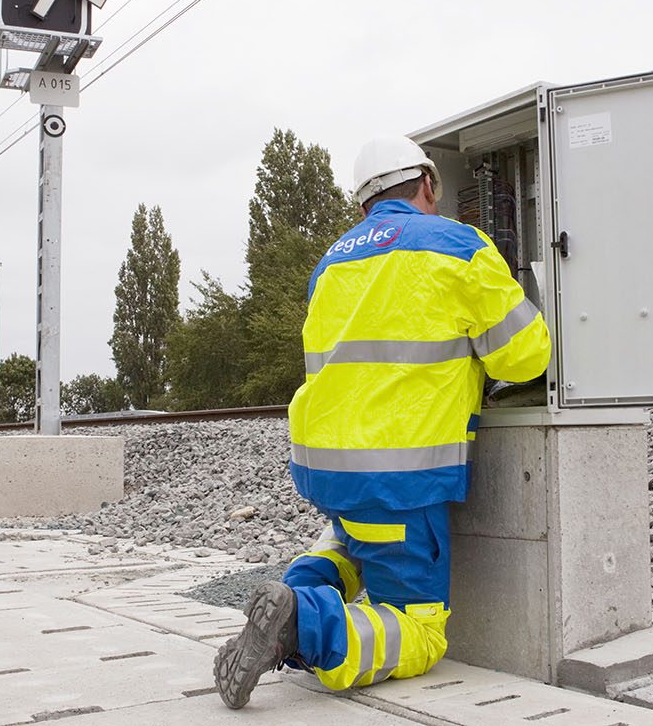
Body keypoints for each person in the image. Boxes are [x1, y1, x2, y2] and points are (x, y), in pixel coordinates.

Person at [214, 135, 552, 706]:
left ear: (363, 206)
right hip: (403, 473)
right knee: (418, 628)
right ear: (427, 183)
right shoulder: (458, 245)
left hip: (328, 465)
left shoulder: (331, 263)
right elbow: (524, 356)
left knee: (351, 540)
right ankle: (304, 628)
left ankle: (290, 596)